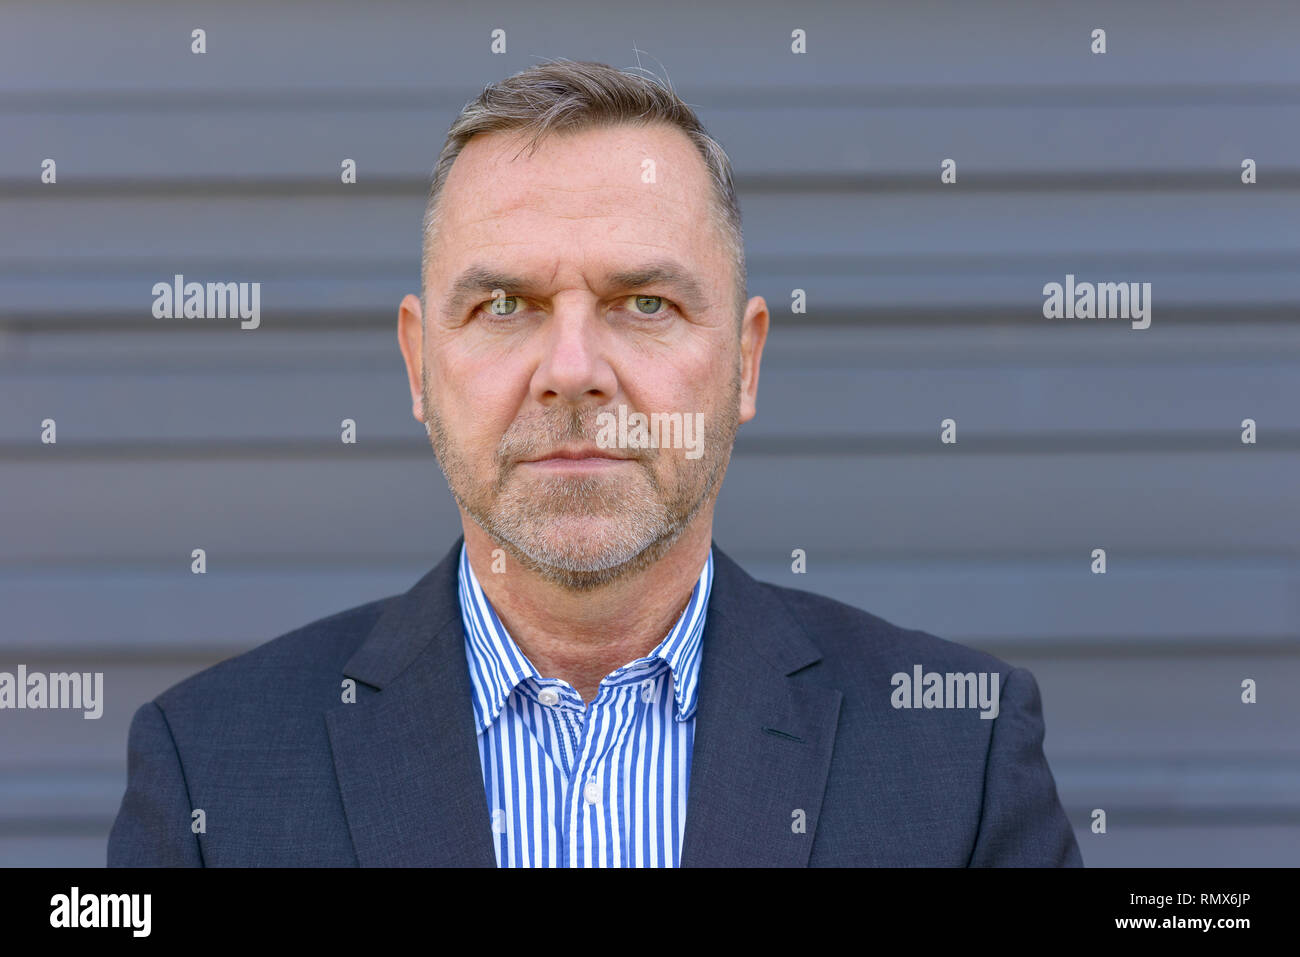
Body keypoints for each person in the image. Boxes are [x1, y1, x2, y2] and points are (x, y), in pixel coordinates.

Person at [108, 59, 1081, 867]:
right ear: (417, 363)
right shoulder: (211, 771)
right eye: (504, 307)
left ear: (744, 362)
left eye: (644, 304)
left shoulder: (961, 757)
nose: (571, 374)